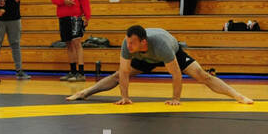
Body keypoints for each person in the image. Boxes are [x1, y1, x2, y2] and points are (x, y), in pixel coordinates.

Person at [66, 25, 253, 105]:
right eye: (128, 42)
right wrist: (125, 97)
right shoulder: (128, 45)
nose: (128, 46)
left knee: (203, 76)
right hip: (145, 58)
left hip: (172, 51)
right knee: (116, 74)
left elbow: (176, 74)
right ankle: (84, 93)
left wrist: (175, 98)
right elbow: (123, 73)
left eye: (132, 43)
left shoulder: (161, 45)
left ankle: (237, 95)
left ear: (143, 42)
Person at [48, 0, 91, 81]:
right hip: (63, 15)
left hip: (76, 15)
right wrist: (63, 1)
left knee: (77, 42)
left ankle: (81, 73)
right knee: (68, 44)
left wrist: (87, 16)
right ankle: (73, 71)